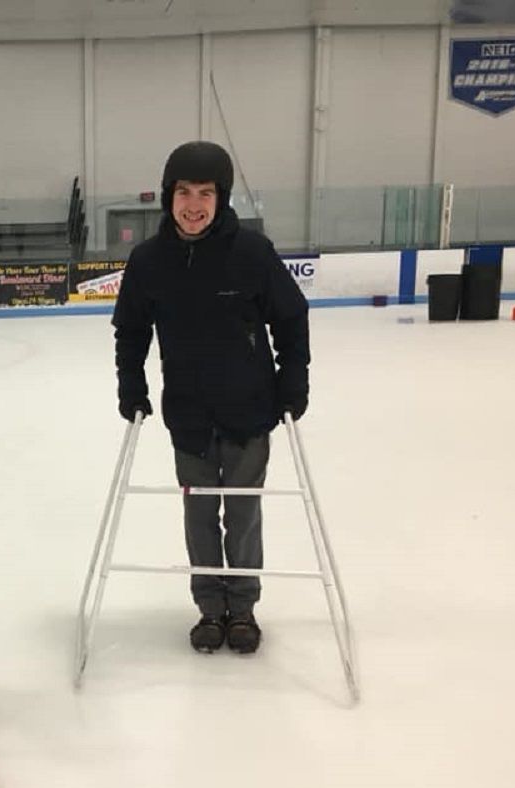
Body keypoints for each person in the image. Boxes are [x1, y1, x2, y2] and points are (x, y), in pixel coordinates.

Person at [112, 141, 310, 655]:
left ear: (221, 198)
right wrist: (130, 384)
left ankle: (241, 609)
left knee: (242, 516)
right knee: (199, 516)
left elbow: (291, 318)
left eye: (205, 193)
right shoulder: (149, 261)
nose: (193, 204)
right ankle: (209, 609)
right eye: (183, 192)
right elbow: (131, 331)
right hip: (190, 416)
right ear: (168, 197)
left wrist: (293, 381)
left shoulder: (251, 253)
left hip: (249, 410)